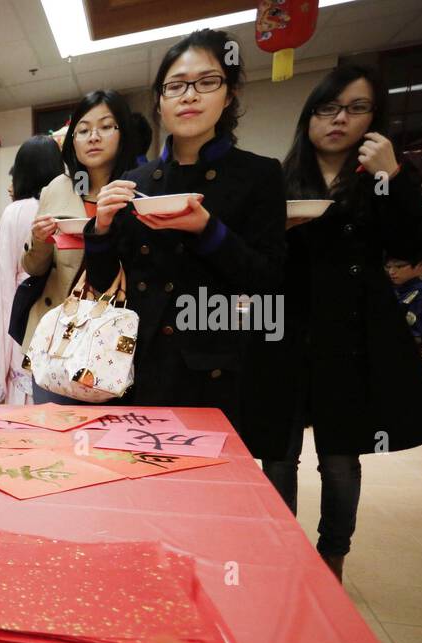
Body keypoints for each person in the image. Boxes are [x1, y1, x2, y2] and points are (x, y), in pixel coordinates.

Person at [258, 64, 422, 578]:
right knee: (278, 454)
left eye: (356, 108)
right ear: (309, 117)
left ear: (374, 118)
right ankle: (280, 555)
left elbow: (415, 247)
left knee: (338, 459)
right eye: (328, 108)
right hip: (284, 331)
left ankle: (331, 557)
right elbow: (256, 257)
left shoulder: (388, 177)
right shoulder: (280, 177)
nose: (339, 119)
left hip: (350, 334)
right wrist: (278, 230)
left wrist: (391, 176)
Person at [84, 29, 286, 430]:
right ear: (160, 102)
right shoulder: (137, 180)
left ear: (228, 96)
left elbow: (269, 282)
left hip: (219, 365)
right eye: (175, 86)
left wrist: (208, 230)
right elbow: (107, 282)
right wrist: (102, 228)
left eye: (206, 82)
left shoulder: (259, 174)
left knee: (212, 486)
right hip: (140, 365)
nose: (189, 95)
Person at [24, 90, 137, 404]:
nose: (93, 137)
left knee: (109, 447)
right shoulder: (56, 189)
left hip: (115, 342)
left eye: (105, 127)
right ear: (72, 140)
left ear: (123, 133)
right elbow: (33, 268)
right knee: (55, 441)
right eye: (83, 130)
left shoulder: (138, 187)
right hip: (60, 341)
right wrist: (41, 240)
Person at [0, 135, 62, 403]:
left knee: (24, 403)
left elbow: (1, 279)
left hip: (23, 314)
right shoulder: (64, 208)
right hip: (59, 314)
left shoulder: (15, 212)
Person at [387, 249, 422, 355]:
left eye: (399, 266)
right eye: (388, 267)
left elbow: (415, 339)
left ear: (420, 264)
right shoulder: (400, 287)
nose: (391, 272)